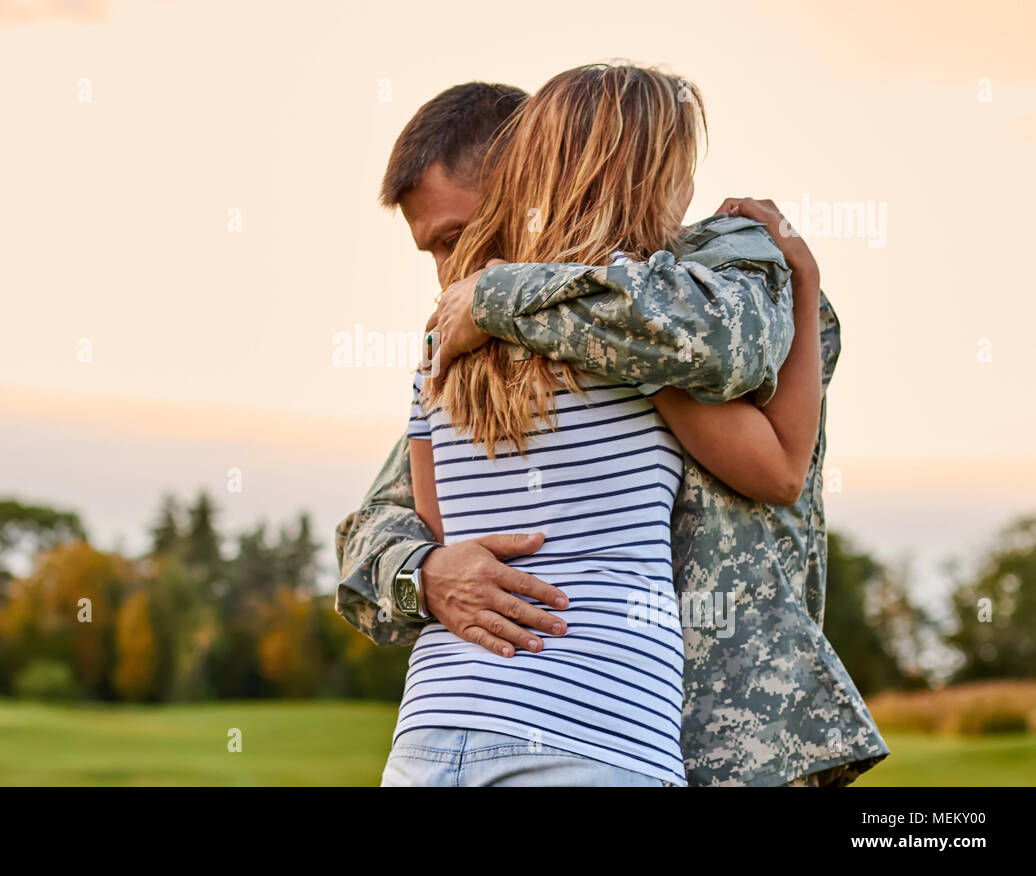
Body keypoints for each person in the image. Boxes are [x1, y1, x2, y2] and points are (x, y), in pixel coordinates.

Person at [336, 75, 888, 786]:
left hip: (733, 746)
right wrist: (427, 575)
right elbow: (375, 539)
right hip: (589, 735)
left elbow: (718, 346)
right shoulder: (476, 348)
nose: (449, 276)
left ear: (525, 185)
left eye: (454, 238)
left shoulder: (710, 269)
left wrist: (506, 297)